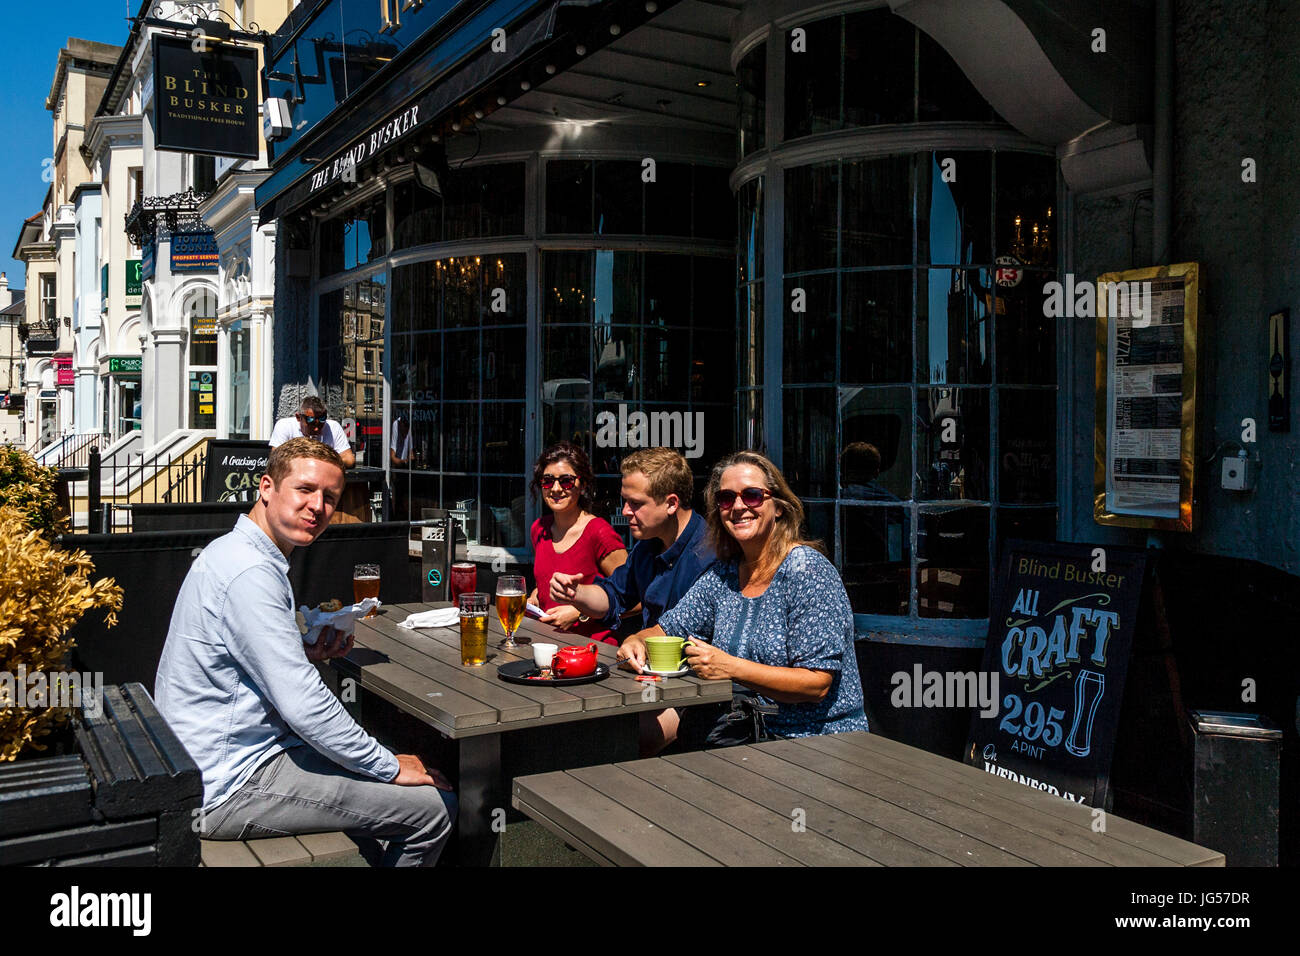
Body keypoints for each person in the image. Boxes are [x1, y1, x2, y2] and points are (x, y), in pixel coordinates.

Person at [154, 438, 456, 866]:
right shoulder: (251, 572)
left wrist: (299, 652)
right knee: (433, 808)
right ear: (266, 488)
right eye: (305, 490)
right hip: (228, 784)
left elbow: (238, 663)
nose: (318, 506)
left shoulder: (235, 551)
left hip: (214, 760)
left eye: (330, 497)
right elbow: (305, 707)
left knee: (382, 758)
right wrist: (388, 766)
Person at [621, 450, 869, 753]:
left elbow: (816, 684)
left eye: (751, 495)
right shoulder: (724, 573)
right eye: (726, 498)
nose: (738, 506)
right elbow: (669, 628)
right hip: (743, 737)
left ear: (778, 507)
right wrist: (637, 639)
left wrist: (731, 667)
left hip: (815, 743)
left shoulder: (806, 570)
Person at [549, 446, 713, 638]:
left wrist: (639, 641)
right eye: (624, 501)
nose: (625, 511)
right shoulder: (648, 544)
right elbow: (615, 595)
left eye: (635, 503)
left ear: (671, 504)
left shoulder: (710, 555)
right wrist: (576, 593)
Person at [528, 441, 628, 645]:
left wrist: (579, 612)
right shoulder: (539, 528)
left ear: (582, 485)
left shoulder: (599, 533)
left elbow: (633, 597)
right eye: (547, 481)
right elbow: (548, 577)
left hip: (592, 649)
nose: (555, 489)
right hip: (547, 644)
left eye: (566, 481)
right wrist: (536, 594)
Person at [270, 396, 355, 468]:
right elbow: (276, 459)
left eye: (321, 422)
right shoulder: (285, 426)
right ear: (298, 417)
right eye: (311, 423)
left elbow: (349, 460)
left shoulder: (333, 427)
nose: (316, 429)